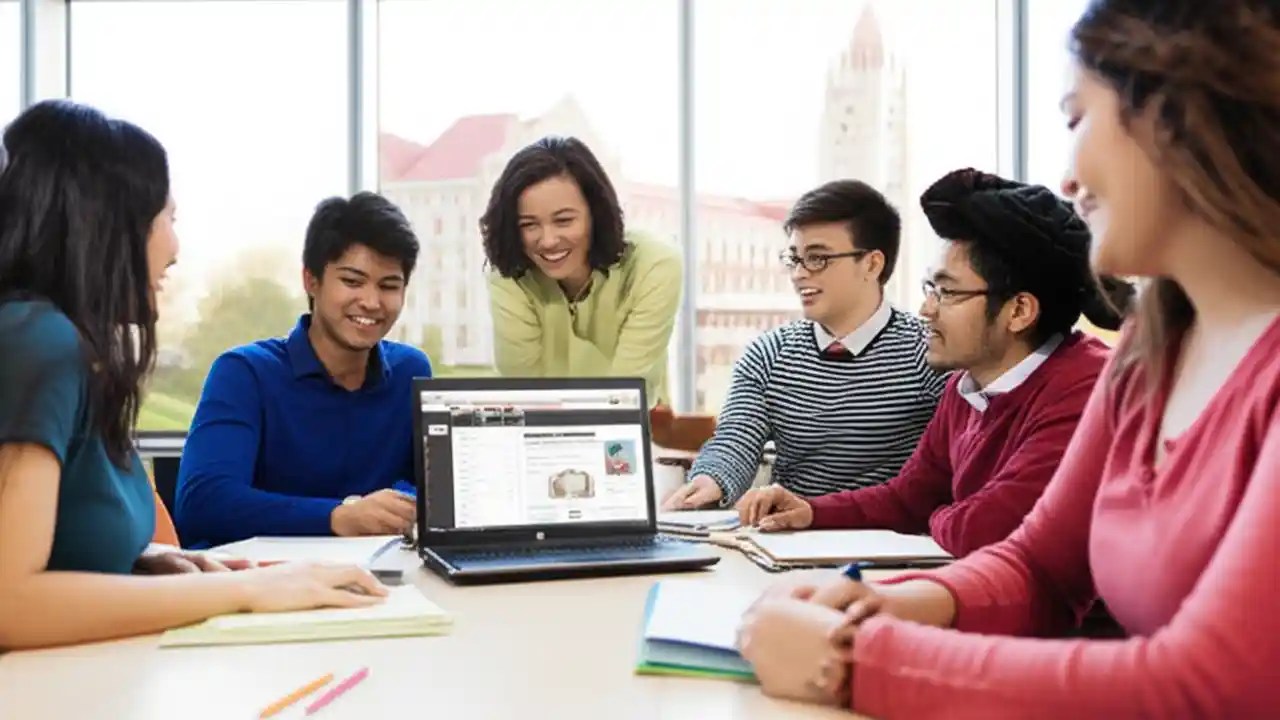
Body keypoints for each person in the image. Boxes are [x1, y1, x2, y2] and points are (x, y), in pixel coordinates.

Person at [736, 1, 1280, 716]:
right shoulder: (1148, 359)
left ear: (1179, 119)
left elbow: (1211, 685)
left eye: (1076, 118)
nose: (1067, 177)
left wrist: (850, 658)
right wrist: (874, 605)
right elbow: (1038, 565)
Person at [0, 100, 385, 651]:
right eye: (167, 218)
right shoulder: (39, 341)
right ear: (109, 224)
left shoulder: (64, 346)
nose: (175, 250)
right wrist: (252, 588)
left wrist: (136, 561)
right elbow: (9, 603)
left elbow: (46, 543)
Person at [736, 169, 1131, 557]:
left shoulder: (1084, 391)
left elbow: (982, 530)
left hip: (1067, 622)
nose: (926, 310)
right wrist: (811, 511)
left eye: (946, 292)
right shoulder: (966, 386)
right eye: (931, 288)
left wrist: (937, 516)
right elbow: (909, 498)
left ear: (1019, 311)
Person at [662, 180, 947, 511]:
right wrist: (710, 480)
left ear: (872, 264)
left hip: (889, 541)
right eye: (794, 259)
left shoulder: (929, 353)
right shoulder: (768, 355)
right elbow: (735, 440)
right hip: (788, 542)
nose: (798, 274)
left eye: (818, 259)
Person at [174, 192, 430, 548]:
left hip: (379, 580)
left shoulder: (411, 371)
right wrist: (339, 517)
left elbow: (431, 488)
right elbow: (204, 502)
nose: (372, 302)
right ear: (311, 280)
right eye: (353, 281)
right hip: (260, 583)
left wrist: (400, 505)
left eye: (389, 286)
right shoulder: (244, 372)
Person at [483, 135, 681, 407]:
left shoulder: (654, 265)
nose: (548, 240)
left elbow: (626, 400)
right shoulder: (509, 276)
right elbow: (523, 395)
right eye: (529, 224)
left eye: (563, 220)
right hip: (541, 437)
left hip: (627, 438)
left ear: (595, 214)